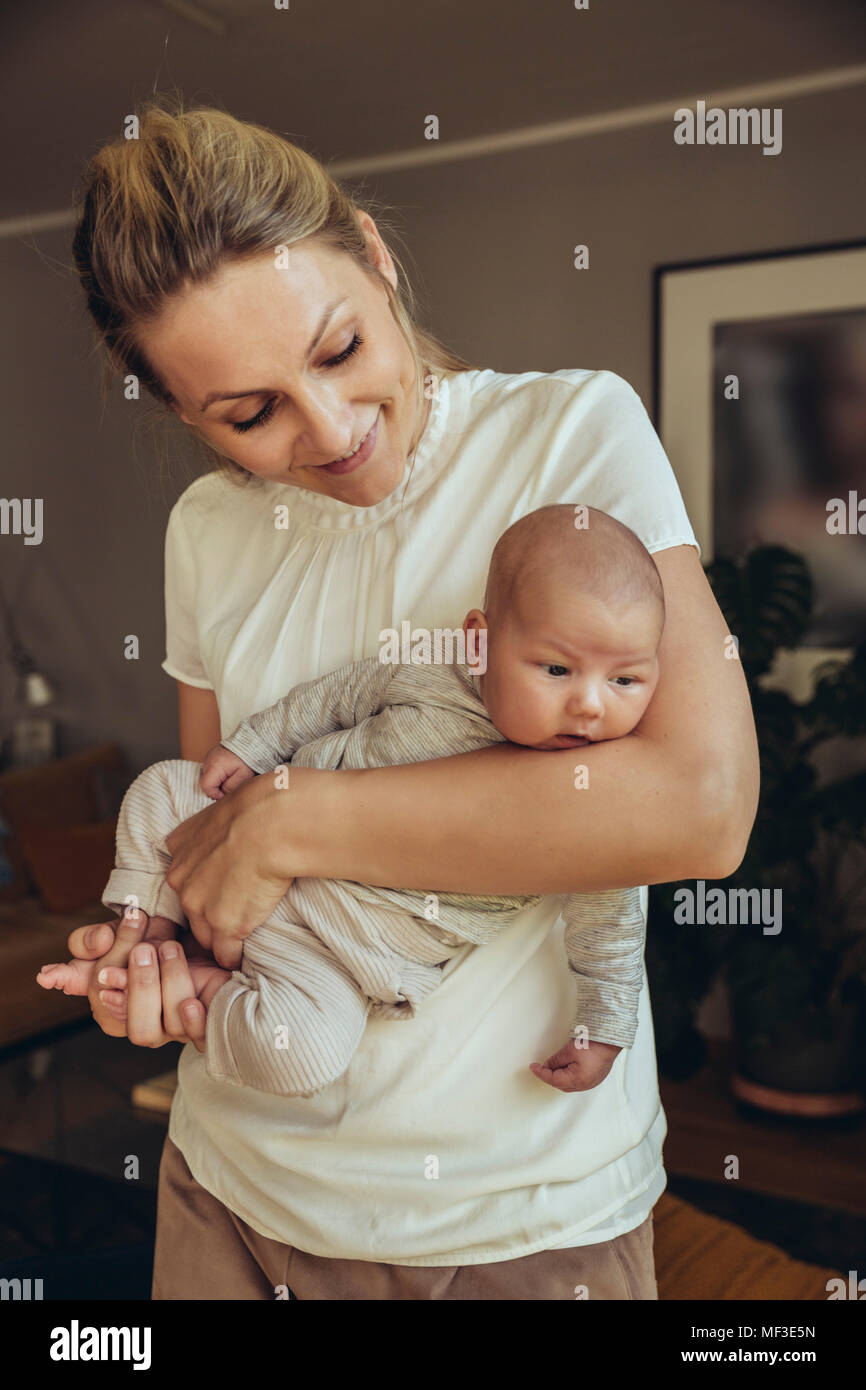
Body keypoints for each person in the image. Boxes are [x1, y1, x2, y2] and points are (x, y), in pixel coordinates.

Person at [61, 95, 759, 1300]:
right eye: (248, 413)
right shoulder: (204, 533)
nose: (328, 428)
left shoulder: (568, 432)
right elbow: (210, 852)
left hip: (511, 1230)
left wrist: (288, 817)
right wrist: (165, 964)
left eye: (336, 350)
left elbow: (695, 806)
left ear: (375, 258)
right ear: (180, 411)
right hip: (226, 1190)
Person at [40, 503, 663, 1099]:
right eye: (556, 669)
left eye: (625, 680)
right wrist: (254, 746)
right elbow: (332, 699)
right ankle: (141, 926)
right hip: (239, 864)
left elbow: (612, 925)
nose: (590, 705)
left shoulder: (591, 802)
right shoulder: (430, 677)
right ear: (479, 643)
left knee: (303, 1052)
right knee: (163, 788)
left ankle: (199, 988)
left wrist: (603, 1027)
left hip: (337, 950)